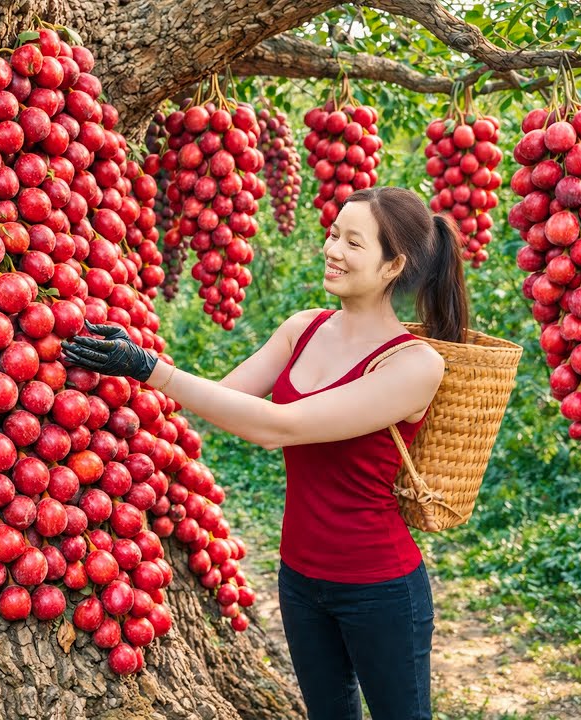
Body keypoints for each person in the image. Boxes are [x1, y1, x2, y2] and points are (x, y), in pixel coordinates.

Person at [60, 186, 470, 720]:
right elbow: (226, 398)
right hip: (299, 579)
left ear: (394, 264)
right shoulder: (304, 328)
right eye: (332, 233)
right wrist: (124, 374)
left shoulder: (415, 366)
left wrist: (149, 368)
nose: (333, 250)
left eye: (353, 242)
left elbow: (279, 427)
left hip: (380, 588)